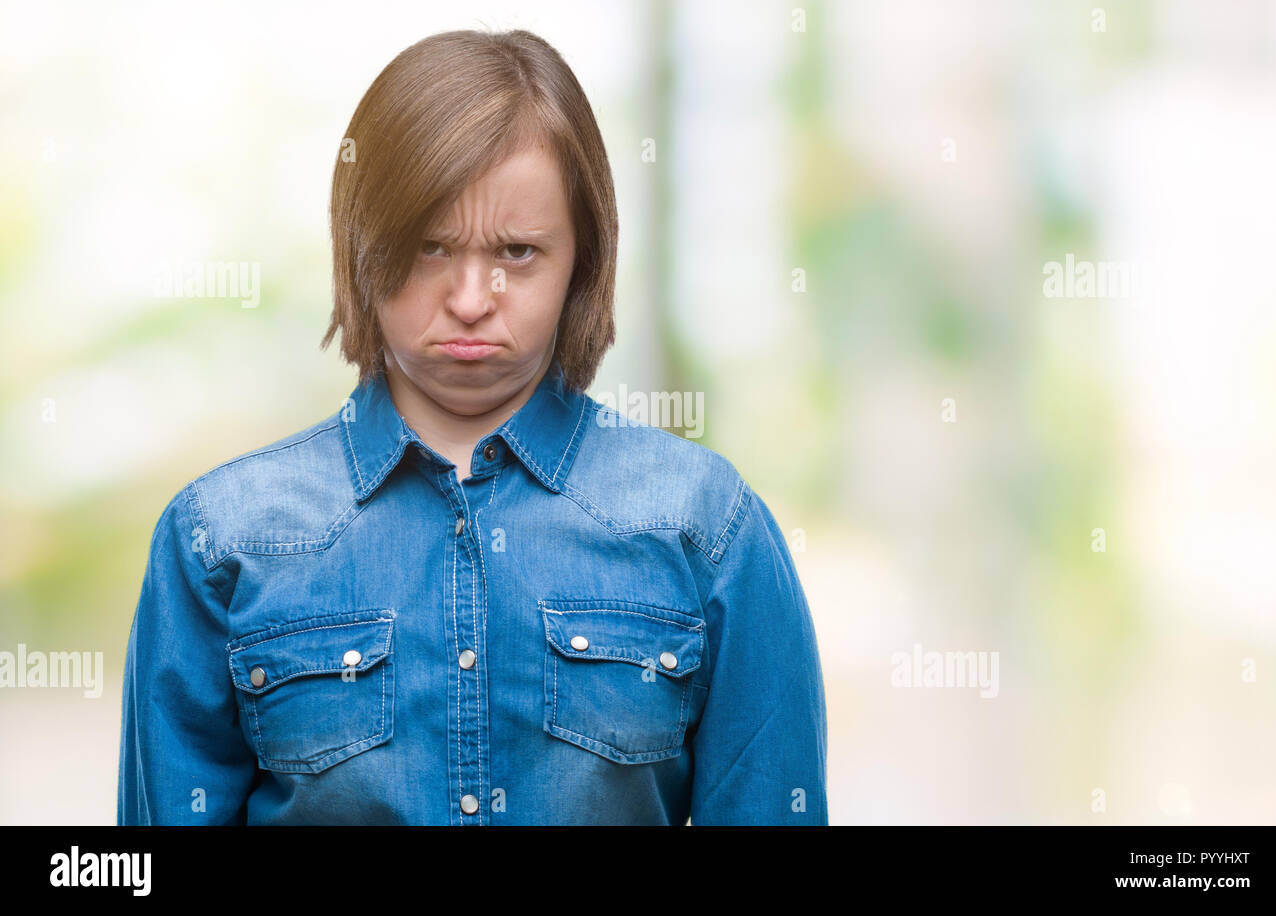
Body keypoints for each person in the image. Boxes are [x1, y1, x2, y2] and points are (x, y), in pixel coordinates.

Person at [117, 27, 828, 825]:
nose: (469, 299)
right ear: (361, 247)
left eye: (517, 252)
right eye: (430, 247)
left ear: (583, 261)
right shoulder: (219, 540)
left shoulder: (707, 528)